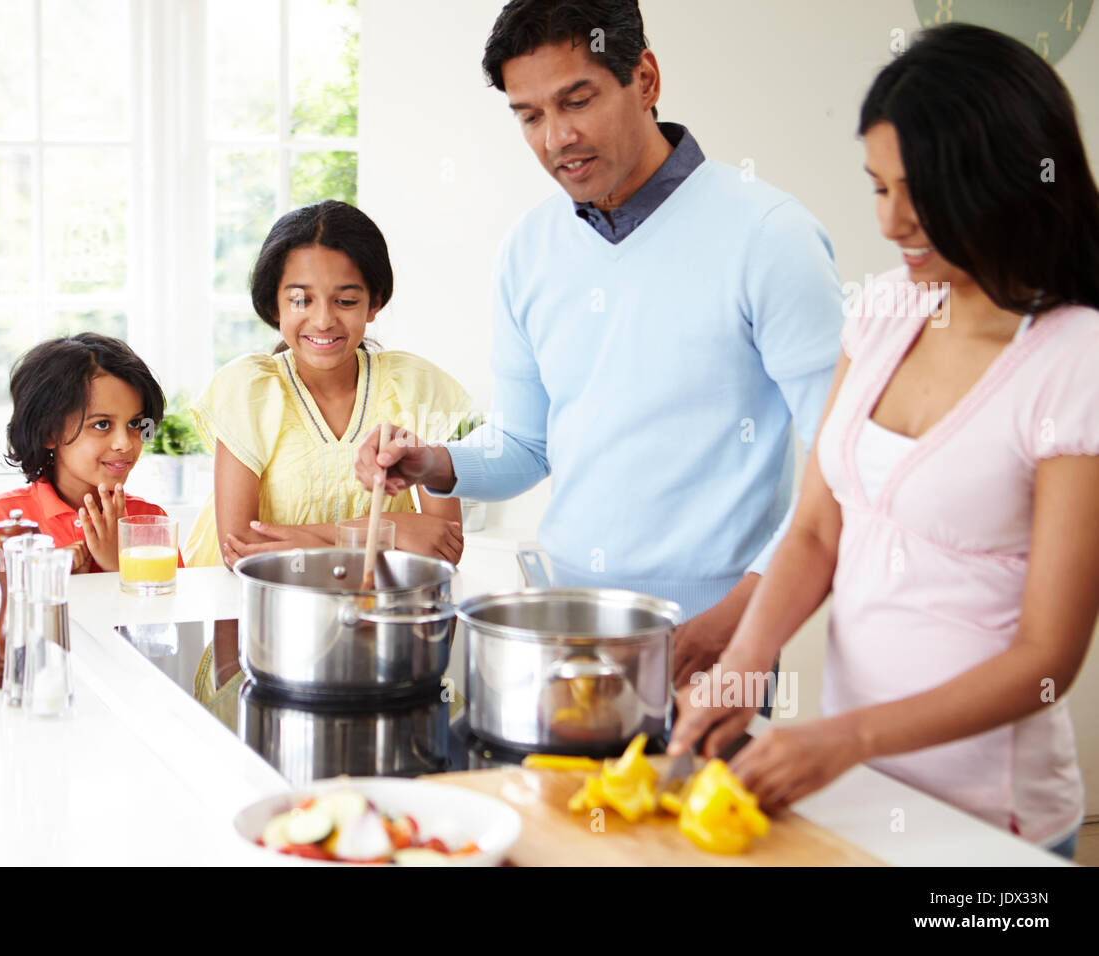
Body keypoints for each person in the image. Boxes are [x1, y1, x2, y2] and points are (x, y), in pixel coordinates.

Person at [669, 23, 1099, 860]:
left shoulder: (1075, 358)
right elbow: (819, 530)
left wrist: (849, 738)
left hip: (991, 817)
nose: (894, 221)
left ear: (1001, 182)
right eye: (877, 188)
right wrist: (746, 663)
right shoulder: (881, 312)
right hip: (859, 795)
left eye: (921, 191)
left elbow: (1051, 655)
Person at [355, 0, 843, 682]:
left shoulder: (769, 237)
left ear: (644, 79)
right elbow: (528, 446)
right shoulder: (528, 249)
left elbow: (848, 463)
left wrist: (741, 618)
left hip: (716, 644)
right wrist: (429, 463)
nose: (556, 138)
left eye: (575, 101)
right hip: (561, 631)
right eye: (529, 116)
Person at [184, 200, 472, 571]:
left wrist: (305, 540)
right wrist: (391, 529)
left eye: (346, 300)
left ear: (374, 304)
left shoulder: (413, 387)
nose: (322, 320)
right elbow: (240, 549)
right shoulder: (249, 391)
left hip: (373, 611)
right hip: (252, 609)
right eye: (301, 299)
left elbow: (444, 544)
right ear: (276, 305)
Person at [0, 333, 179, 579]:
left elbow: (177, 614)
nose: (125, 443)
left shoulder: (151, 522)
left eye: (135, 423)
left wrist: (118, 567)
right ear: (49, 431)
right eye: (102, 424)